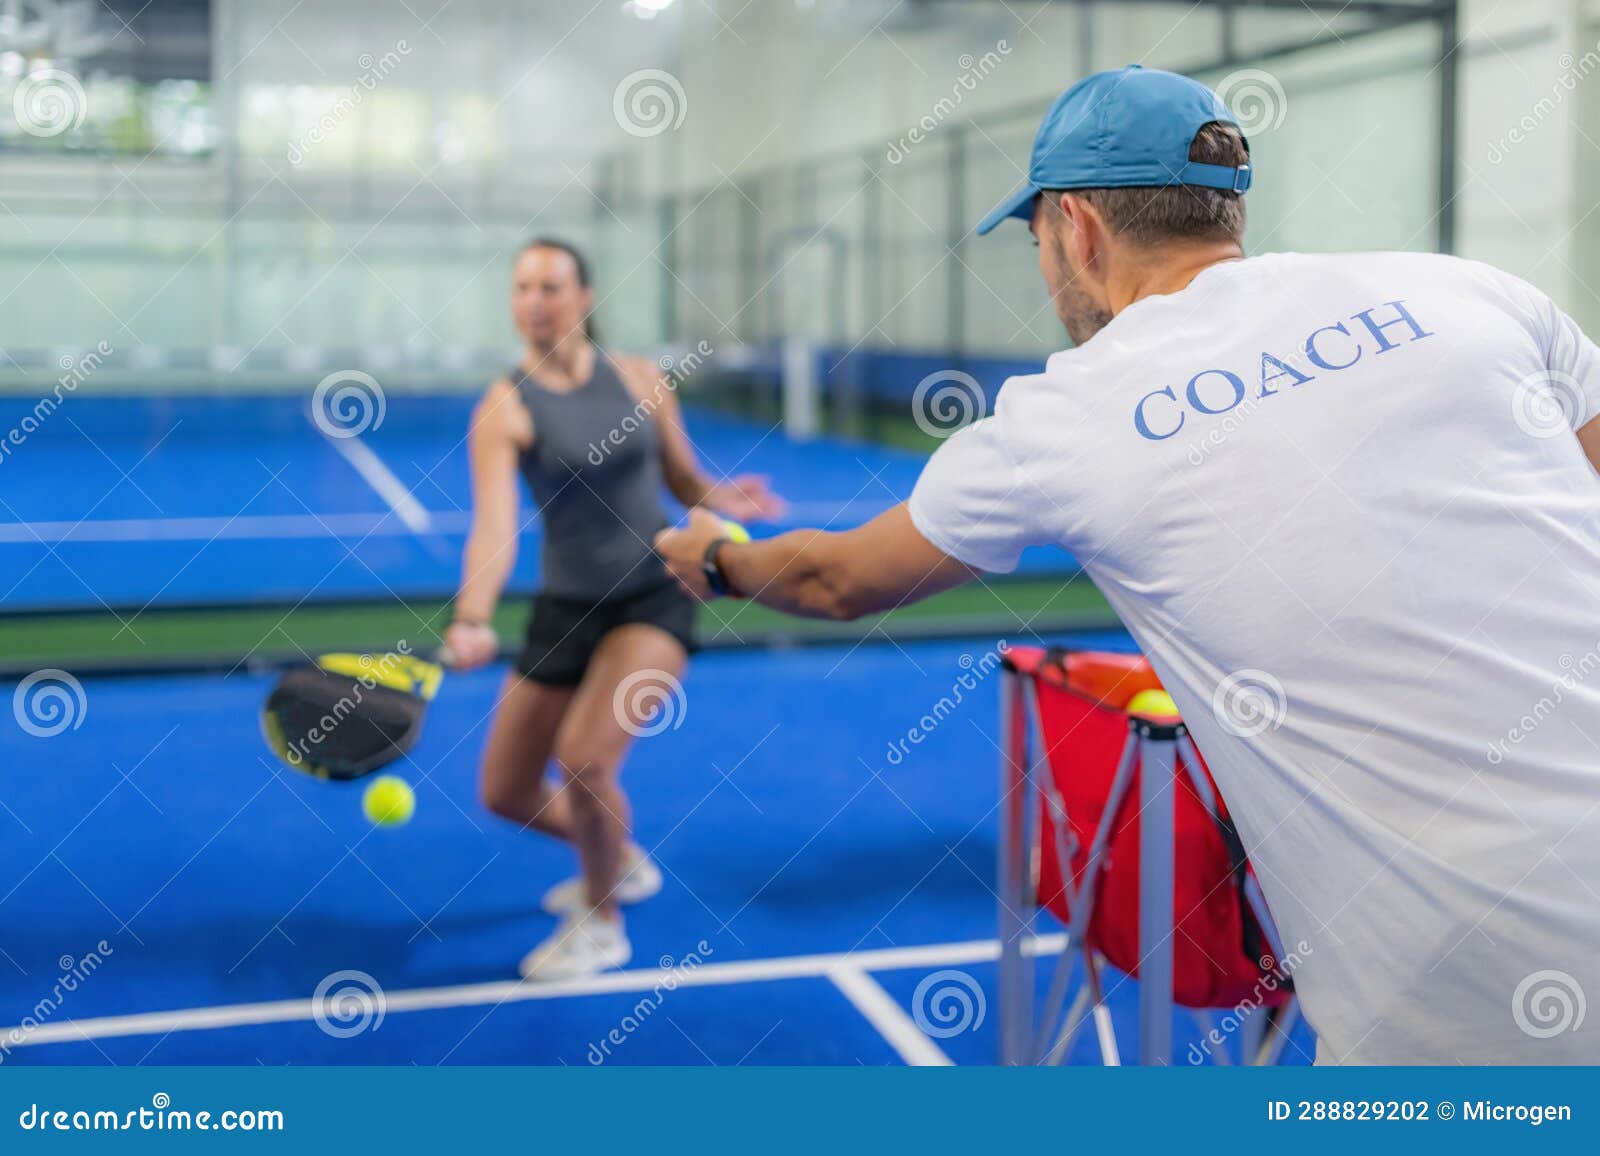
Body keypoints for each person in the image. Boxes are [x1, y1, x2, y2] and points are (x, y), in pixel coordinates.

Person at [655, 66, 1600, 1063]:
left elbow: (832, 581)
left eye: (1035, 243)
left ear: (1076, 227)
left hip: (1470, 1014)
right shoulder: (1464, 289)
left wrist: (716, 557)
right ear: (1225, 205)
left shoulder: (1059, 417)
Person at [447, 238, 783, 981]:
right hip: (566, 605)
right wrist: (472, 616)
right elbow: (495, 529)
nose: (536, 301)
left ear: (584, 298)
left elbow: (682, 477)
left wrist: (723, 499)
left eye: (552, 287)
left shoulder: (639, 378)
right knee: (505, 791)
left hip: (655, 591)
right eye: (524, 287)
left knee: (586, 760)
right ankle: (614, 853)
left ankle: (602, 923)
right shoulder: (503, 406)